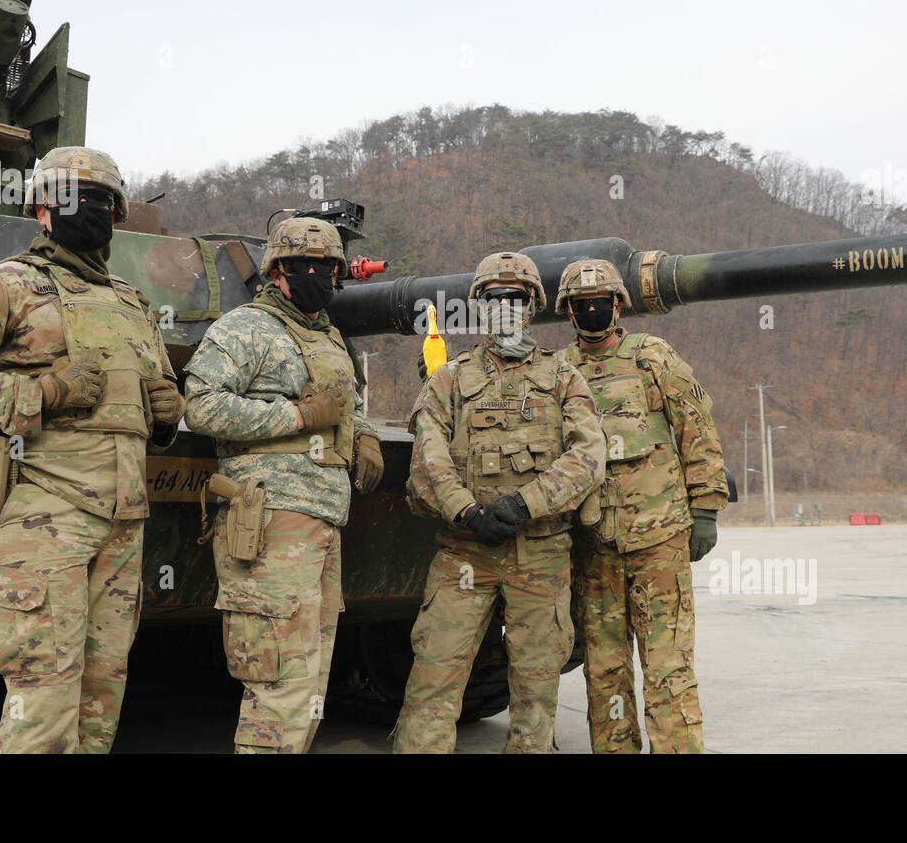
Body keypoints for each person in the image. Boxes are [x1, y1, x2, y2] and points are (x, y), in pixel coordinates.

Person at [0, 146, 185, 753]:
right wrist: (45, 391)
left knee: (99, 699)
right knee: (44, 700)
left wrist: (167, 413)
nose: (86, 210)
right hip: (43, 517)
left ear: (117, 216)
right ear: (41, 209)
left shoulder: (133, 305)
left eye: (101, 201)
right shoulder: (4, 288)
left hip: (123, 523)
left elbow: (152, 400)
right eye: (70, 198)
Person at [183, 216, 384, 754]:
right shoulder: (244, 328)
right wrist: (295, 417)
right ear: (277, 271)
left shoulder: (329, 337)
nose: (318, 275)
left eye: (328, 267)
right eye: (304, 266)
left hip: (322, 521)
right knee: (277, 679)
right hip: (272, 520)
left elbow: (347, 405)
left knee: (311, 678)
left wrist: (362, 434)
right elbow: (201, 406)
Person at [394, 252, 605, 753]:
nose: (504, 307)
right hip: (464, 553)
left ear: (532, 305)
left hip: (542, 553)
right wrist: (465, 509)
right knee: (433, 681)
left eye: (514, 298)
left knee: (536, 692)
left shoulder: (563, 377)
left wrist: (524, 505)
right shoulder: (447, 379)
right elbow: (428, 458)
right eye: (494, 298)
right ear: (479, 306)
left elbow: (590, 455)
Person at [555, 258, 727, 753]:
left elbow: (697, 428)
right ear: (568, 312)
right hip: (594, 546)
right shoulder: (560, 372)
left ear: (617, 306)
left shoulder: (653, 358)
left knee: (668, 666)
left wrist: (707, 508)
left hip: (660, 541)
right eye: (581, 305)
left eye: (600, 303)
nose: (591, 311)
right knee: (605, 673)